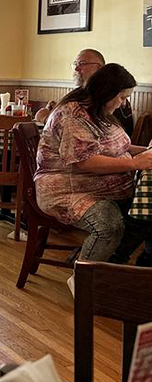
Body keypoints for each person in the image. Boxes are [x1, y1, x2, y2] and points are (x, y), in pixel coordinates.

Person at [35, 63, 152, 264]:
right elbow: (84, 162)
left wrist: (146, 153)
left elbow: (120, 147)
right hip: (68, 192)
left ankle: (117, 266)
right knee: (110, 227)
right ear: (107, 92)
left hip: (103, 190)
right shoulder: (74, 115)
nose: (123, 104)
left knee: (145, 218)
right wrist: (135, 164)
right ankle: (84, 279)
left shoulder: (99, 111)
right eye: (122, 97)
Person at [35, 48, 134, 135]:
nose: (77, 68)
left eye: (82, 64)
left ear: (99, 68)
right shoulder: (82, 96)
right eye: (76, 65)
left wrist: (44, 118)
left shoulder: (108, 97)